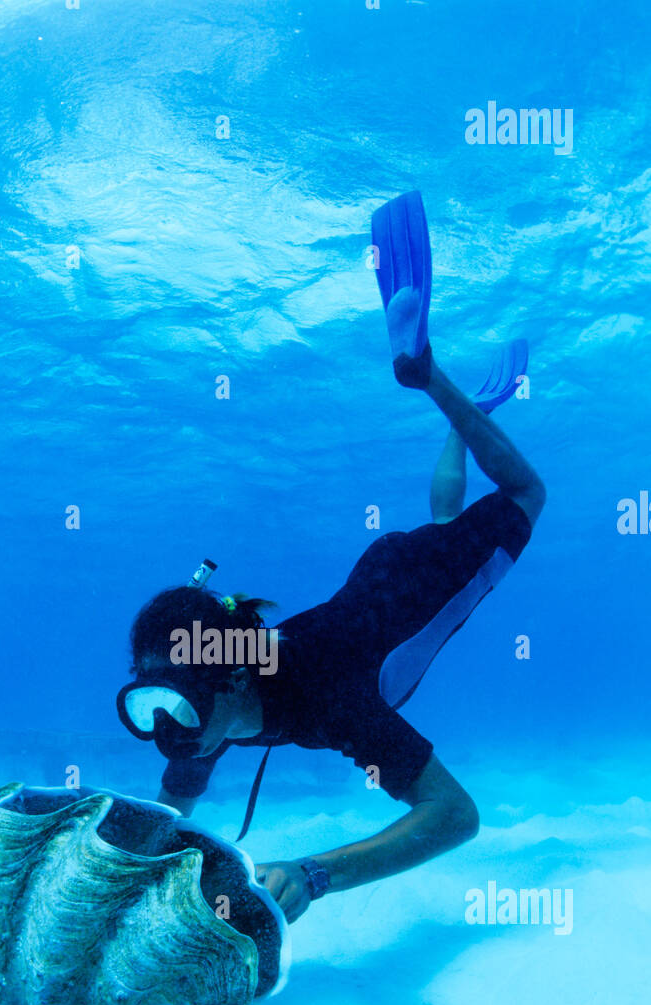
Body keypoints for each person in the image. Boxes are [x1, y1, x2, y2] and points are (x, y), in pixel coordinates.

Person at [116, 193, 545, 923]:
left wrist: (316, 876)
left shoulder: (330, 700)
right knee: (442, 520)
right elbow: (169, 809)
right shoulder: (207, 701)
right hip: (375, 575)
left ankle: (430, 377)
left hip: (415, 589)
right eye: (149, 703)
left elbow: (455, 815)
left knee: (527, 494)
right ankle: (471, 415)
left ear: (236, 675)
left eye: (175, 703)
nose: (168, 730)